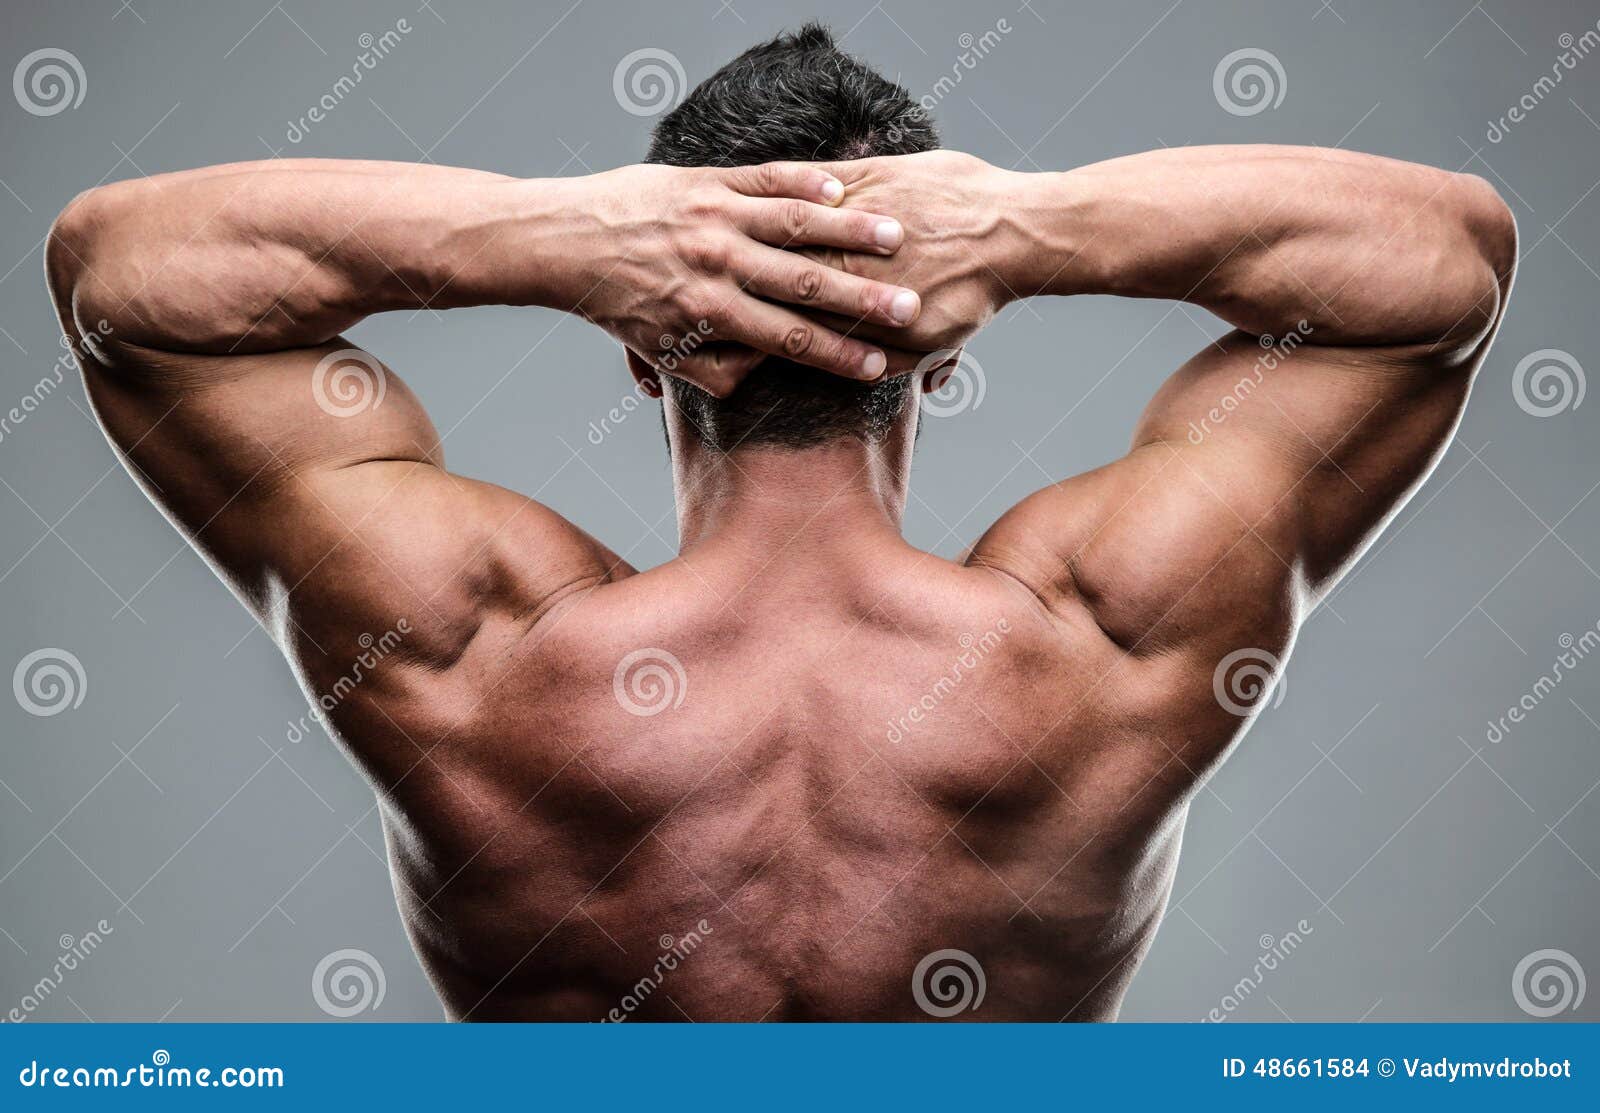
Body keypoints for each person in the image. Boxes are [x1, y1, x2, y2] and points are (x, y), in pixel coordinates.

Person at [45, 25, 1514, 1020]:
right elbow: (1443, 267)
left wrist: (555, 238)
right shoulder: (1109, 628)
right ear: (939, 352)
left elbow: (120, 276)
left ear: (639, 343)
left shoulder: (470, 644)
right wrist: (1023, 227)